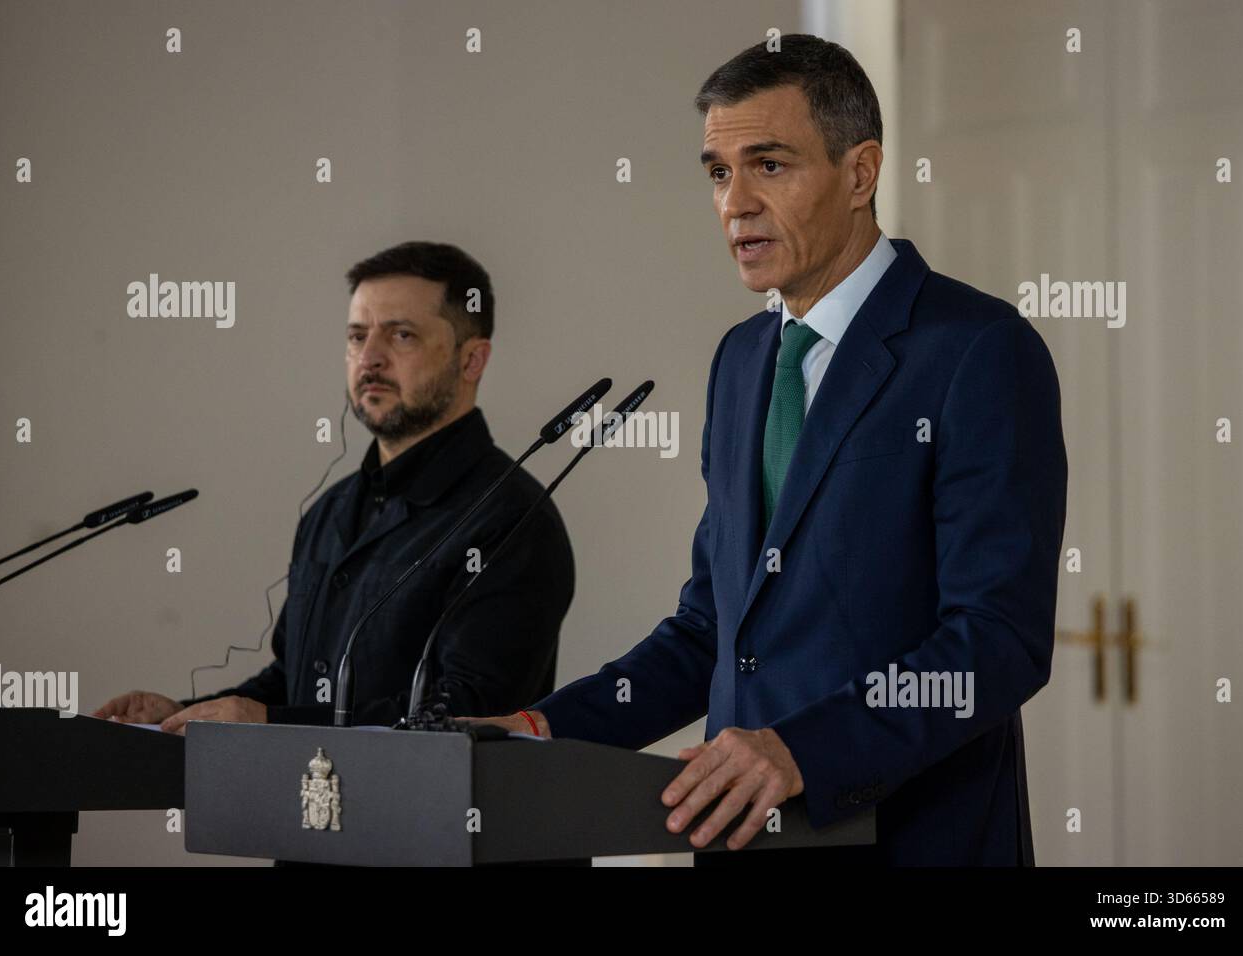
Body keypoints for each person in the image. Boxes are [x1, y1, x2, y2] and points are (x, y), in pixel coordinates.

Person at [465, 36, 1067, 865]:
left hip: (915, 841)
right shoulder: (742, 360)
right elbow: (713, 627)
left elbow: (997, 640)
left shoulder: (977, 350)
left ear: (860, 174)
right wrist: (547, 727)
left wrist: (803, 752)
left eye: (770, 165)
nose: (735, 203)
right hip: (746, 843)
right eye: (718, 171)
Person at [96, 241, 575, 732]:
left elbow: (468, 715)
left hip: (438, 810)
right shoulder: (331, 510)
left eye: (402, 335)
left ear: (472, 360)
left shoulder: (512, 517)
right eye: (356, 336)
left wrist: (275, 721)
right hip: (300, 808)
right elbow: (293, 684)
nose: (370, 358)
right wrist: (181, 716)